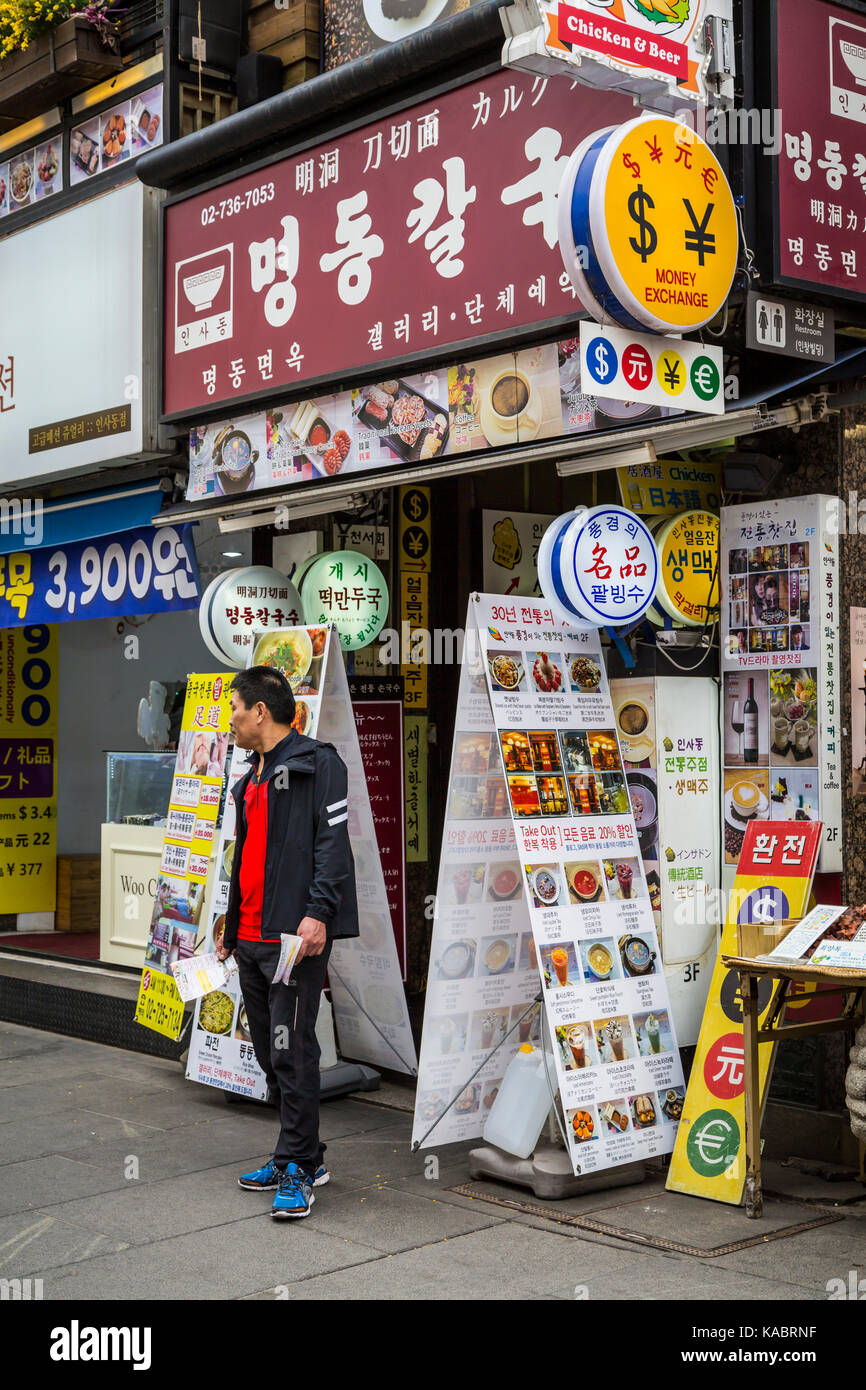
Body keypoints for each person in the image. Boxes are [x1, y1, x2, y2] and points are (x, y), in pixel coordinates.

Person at [217, 665, 358, 1219]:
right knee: (268, 1053)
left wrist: (319, 913)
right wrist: (230, 925)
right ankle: (299, 1154)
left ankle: (299, 1168)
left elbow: (333, 845)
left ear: (260, 711)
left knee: (291, 1050)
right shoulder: (253, 774)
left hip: (292, 938)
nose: (228, 718)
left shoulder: (319, 764)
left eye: (234, 708)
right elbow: (246, 858)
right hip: (250, 935)